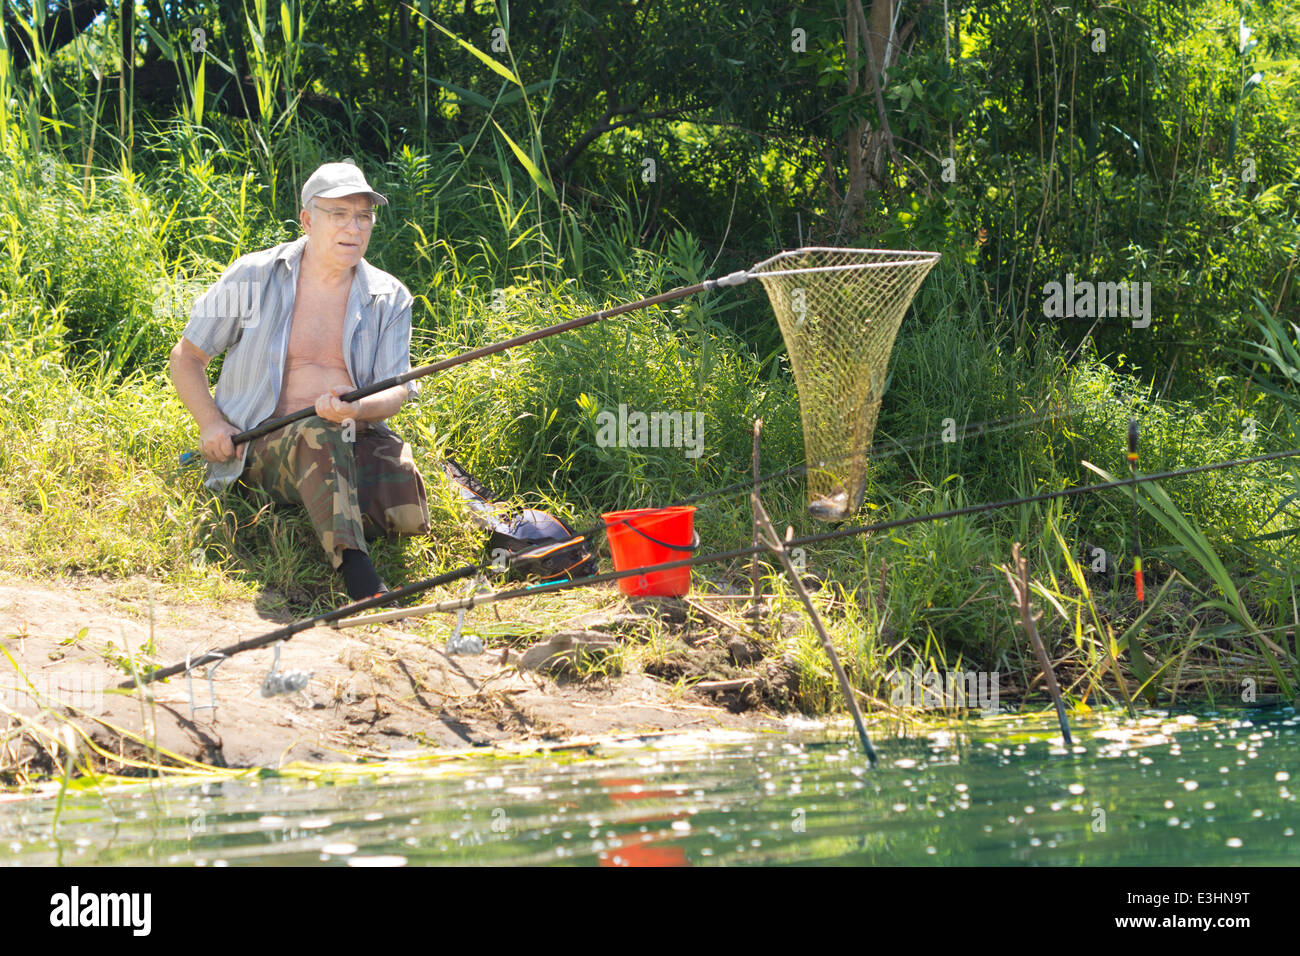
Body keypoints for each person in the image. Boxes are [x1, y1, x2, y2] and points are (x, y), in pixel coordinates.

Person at [170, 161, 430, 602]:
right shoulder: (253, 277)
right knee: (318, 432)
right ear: (308, 220)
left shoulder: (390, 295)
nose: (354, 227)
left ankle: (322, 500)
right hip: (262, 443)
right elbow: (187, 356)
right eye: (339, 214)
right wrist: (211, 425)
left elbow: (396, 389)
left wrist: (358, 409)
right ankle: (358, 575)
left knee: (404, 492)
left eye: (364, 216)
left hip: (355, 433)